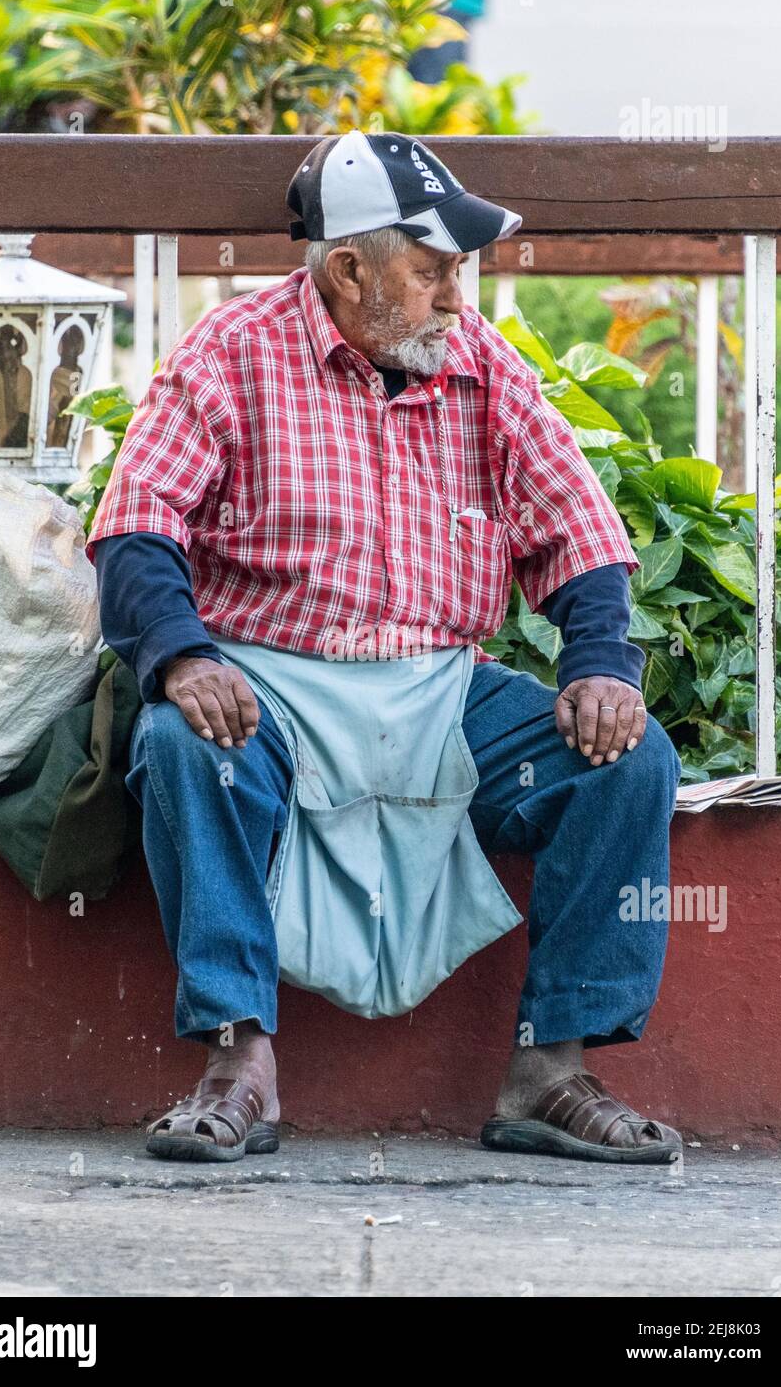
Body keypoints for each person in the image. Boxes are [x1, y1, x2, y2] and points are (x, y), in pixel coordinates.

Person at [88, 129, 683, 1166]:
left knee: (626, 762)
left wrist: (598, 662)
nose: (456, 295)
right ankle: (239, 1060)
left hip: (438, 696)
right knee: (184, 745)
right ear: (349, 269)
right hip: (267, 687)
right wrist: (183, 657)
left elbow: (577, 531)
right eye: (432, 269)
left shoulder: (480, 362)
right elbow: (139, 526)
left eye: (459, 270)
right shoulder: (230, 351)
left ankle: (550, 1070)